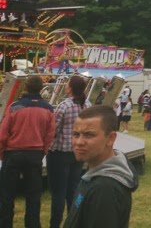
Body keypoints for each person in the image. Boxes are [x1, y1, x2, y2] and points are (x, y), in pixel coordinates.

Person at [63, 105, 138, 228]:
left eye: (88, 135)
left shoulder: (104, 188)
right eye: (76, 134)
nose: (79, 142)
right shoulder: (94, 174)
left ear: (110, 138)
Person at [0, 74, 55, 228]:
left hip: (13, 152)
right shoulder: (48, 109)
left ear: (25, 87)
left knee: (7, 194)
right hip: (35, 153)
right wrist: (42, 150)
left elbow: (3, 133)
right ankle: (32, 224)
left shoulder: (14, 107)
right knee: (33, 195)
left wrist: (2, 152)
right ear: (41, 88)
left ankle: (5, 224)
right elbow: (50, 134)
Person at [47, 74, 88, 228]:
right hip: (78, 152)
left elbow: (54, 129)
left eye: (67, 84)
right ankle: (74, 222)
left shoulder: (65, 105)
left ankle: (55, 224)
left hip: (60, 152)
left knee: (58, 192)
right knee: (74, 189)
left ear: (70, 88)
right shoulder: (87, 104)